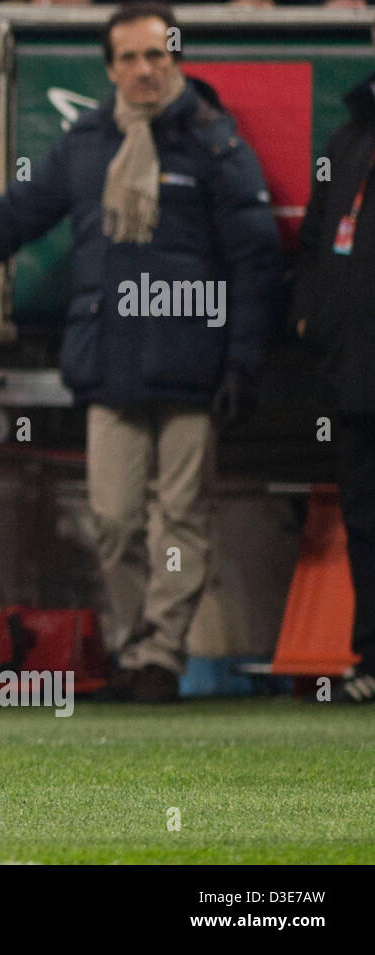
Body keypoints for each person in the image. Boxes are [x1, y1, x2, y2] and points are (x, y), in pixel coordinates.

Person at [0, 2, 282, 702]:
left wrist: (243, 361)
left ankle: (160, 659)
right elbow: (11, 216)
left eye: (157, 55)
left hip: (194, 367)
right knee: (113, 520)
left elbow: (257, 261)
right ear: (110, 66)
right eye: (129, 58)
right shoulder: (85, 144)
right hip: (109, 363)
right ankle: (128, 642)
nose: (145, 70)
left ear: (176, 56)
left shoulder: (214, 144)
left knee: (181, 520)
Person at [289, 68, 375, 704]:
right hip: (354, 371)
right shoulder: (347, 139)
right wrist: (309, 314)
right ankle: (372, 657)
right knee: (365, 518)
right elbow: (317, 238)